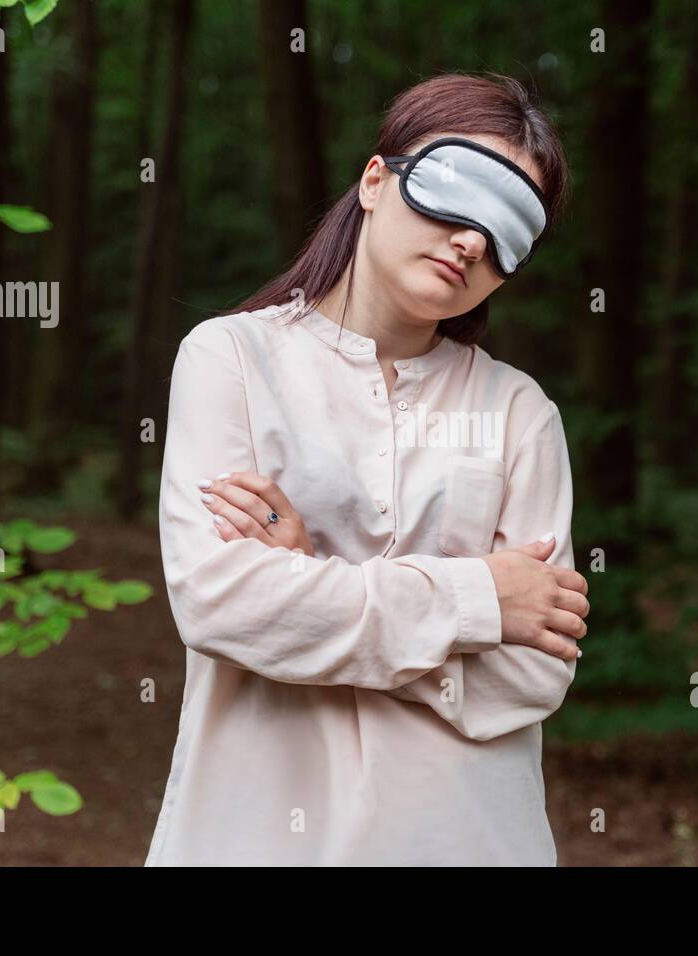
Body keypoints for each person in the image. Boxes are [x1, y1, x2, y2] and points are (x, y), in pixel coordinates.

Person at [144, 72, 589, 866]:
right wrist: (479, 597)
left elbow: (531, 674)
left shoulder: (523, 414)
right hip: (252, 837)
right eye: (460, 191)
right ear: (377, 181)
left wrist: (307, 588)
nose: (473, 239)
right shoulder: (231, 360)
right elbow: (220, 603)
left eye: (511, 225)